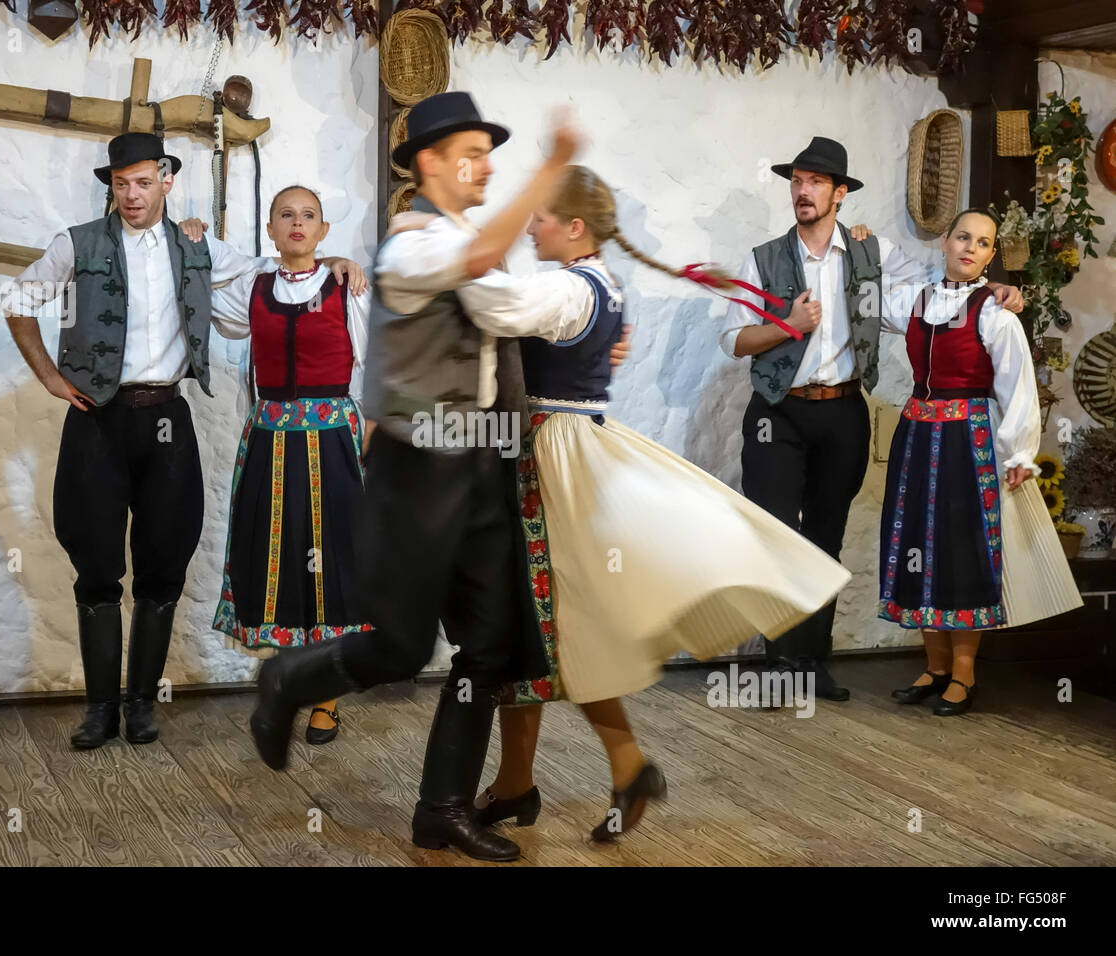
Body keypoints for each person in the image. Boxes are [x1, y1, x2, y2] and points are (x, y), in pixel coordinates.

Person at [440, 165, 851, 841]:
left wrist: (441, 244)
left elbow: (490, 306)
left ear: (574, 227)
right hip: (573, 443)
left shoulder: (565, 285)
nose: (532, 227)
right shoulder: (601, 281)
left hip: (549, 455)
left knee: (544, 624)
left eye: (540, 216)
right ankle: (536, 779)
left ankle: (603, 770)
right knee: (545, 629)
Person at [248, 92, 591, 862]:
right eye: (473, 152)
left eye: (491, 153)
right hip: (417, 467)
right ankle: (287, 681)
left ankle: (441, 809)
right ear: (429, 163)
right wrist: (554, 165)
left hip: (478, 463)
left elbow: (516, 308)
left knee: (491, 647)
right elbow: (479, 274)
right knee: (400, 650)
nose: (488, 166)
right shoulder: (410, 245)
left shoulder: (475, 245)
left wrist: (591, 296)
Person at [1, 132, 360, 749]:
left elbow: (279, 270)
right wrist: (51, 379)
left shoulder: (198, 247)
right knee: (95, 567)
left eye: (144, 181)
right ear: (110, 186)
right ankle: (99, 709)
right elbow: (16, 299)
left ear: (166, 181)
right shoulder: (76, 243)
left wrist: (333, 262)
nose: (132, 194)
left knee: (164, 566)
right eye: (121, 183)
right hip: (96, 420)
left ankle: (141, 706)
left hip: (167, 418)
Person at [720, 136, 1024, 702]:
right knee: (777, 537)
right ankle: (780, 665)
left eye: (814, 182)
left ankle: (812, 663)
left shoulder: (871, 252)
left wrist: (1001, 289)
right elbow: (734, 340)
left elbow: (944, 289)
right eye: (796, 180)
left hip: (844, 411)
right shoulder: (762, 258)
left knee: (825, 537)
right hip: (777, 415)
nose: (802, 191)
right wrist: (788, 324)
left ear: (840, 194)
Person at [179, 185, 371, 746]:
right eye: (285, 214)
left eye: (308, 215)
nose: (296, 223)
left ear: (323, 230)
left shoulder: (345, 285)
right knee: (278, 557)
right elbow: (210, 298)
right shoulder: (256, 287)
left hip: (334, 438)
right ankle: (289, 682)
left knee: (331, 557)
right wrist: (194, 237)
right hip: (268, 438)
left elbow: (372, 362)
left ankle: (328, 698)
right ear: (270, 229)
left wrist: (372, 439)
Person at [876, 209, 1083, 715]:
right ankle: (935, 665)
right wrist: (860, 236)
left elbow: (1018, 390)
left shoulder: (996, 315)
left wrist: (1019, 454)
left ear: (991, 256)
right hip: (917, 433)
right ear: (945, 243)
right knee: (914, 540)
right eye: (963, 237)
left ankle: (965, 673)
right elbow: (862, 283)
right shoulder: (913, 301)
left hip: (969, 440)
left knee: (962, 546)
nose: (970, 247)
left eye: (983, 243)